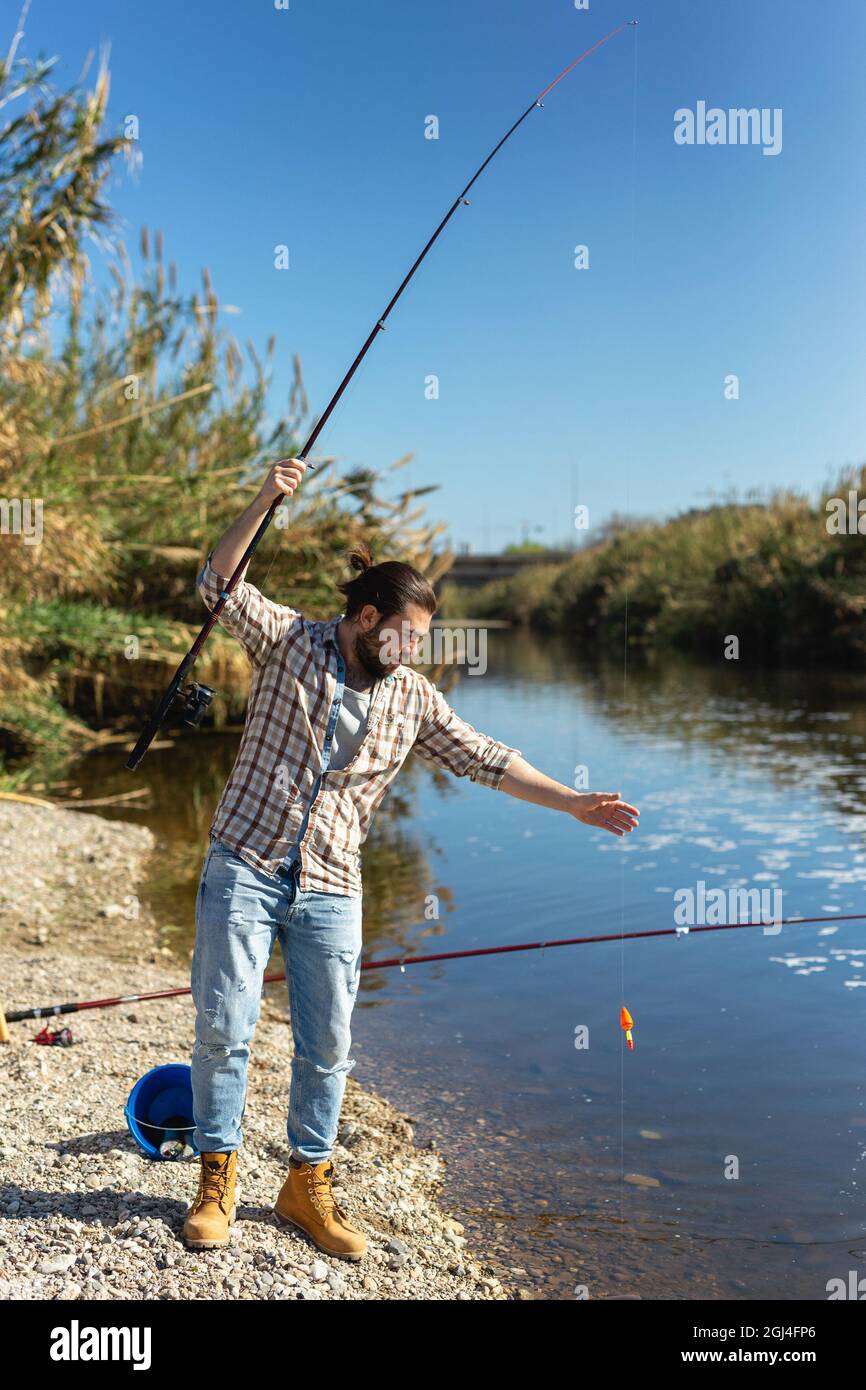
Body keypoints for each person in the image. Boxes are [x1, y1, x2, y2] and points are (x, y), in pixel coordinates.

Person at [182, 458, 640, 1259]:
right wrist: (265, 499)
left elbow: (486, 758)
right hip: (246, 862)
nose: (416, 649)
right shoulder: (290, 642)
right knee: (226, 1024)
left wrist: (574, 802)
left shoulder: (413, 696)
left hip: (331, 883)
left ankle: (304, 1185)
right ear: (363, 619)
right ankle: (215, 1179)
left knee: (328, 1045)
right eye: (408, 635)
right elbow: (216, 584)